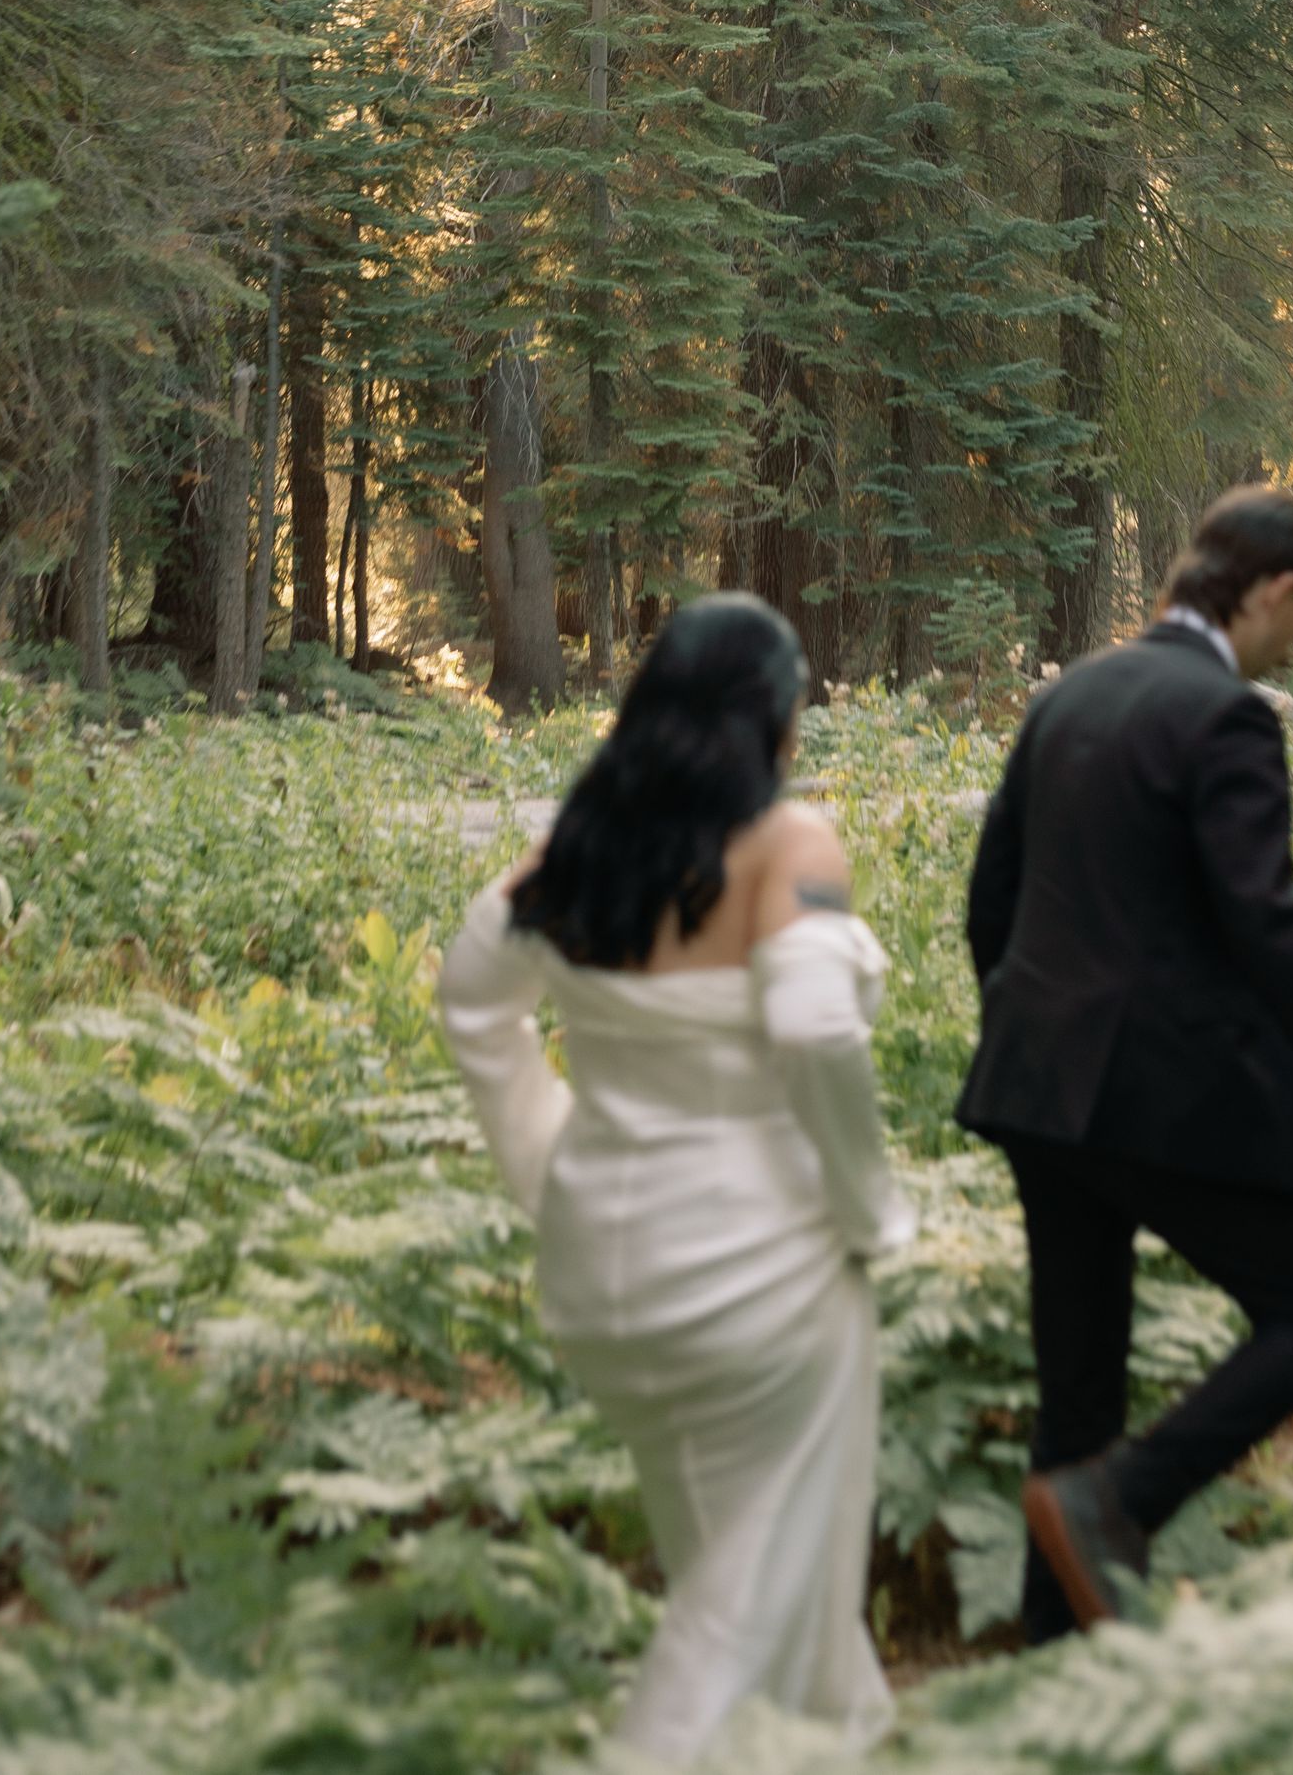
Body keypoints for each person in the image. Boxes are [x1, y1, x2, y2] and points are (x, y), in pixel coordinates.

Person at [436, 594, 914, 1765]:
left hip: (603, 1263)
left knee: (742, 1559)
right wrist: (870, 1207)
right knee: (743, 1591)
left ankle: (841, 1743)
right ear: (771, 721)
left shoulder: (575, 851)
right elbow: (809, 1026)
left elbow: (470, 1002)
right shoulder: (788, 846)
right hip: (762, 1274)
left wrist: (549, 1167)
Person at [957, 486, 1293, 1638]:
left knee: (1079, 1395)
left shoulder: (1070, 695)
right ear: (1268, 590)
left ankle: (1043, 1675)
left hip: (1037, 1088)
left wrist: (1032, 1031)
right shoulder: (1226, 715)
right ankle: (1130, 1495)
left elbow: (990, 902)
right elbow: (1267, 923)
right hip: (1156, 1095)